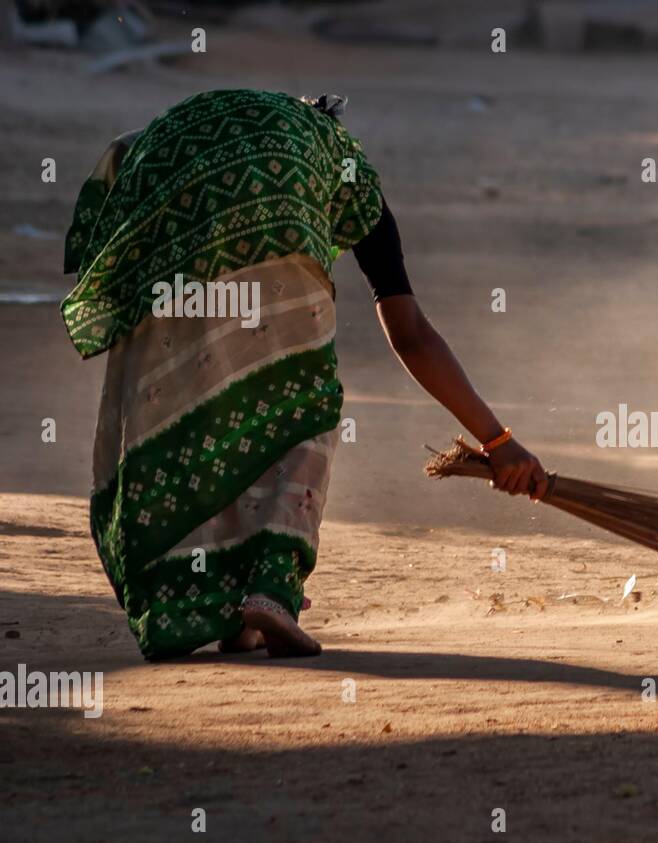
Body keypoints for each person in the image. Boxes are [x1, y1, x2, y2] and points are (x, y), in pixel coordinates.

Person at [61, 89, 545, 661]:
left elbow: (117, 161)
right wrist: (498, 440)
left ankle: (193, 603)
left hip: (166, 231)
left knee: (197, 413)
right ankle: (271, 592)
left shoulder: (200, 124)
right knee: (299, 408)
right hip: (261, 238)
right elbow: (410, 334)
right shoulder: (345, 166)